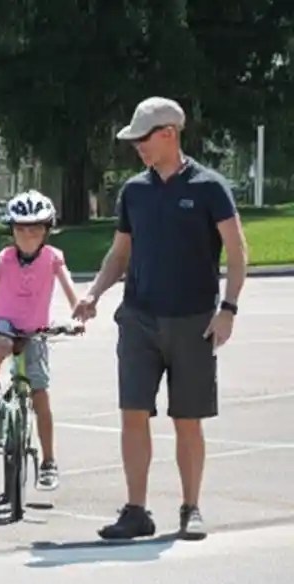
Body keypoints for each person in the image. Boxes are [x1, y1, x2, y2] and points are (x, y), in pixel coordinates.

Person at [73, 96, 249, 541]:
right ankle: (136, 511)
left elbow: (237, 249)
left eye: (143, 138)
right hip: (139, 320)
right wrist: (93, 293)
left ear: (169, 134)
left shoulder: (209, 187)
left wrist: (227, 309)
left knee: (186, 419)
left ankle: (191, 508)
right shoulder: (134, 191)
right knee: (133, 413)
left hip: (193, 321)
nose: (138, 148)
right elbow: (120, 253)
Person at [0, 190, 80, 491]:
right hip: (4, 322)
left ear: (47, 231)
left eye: (36, 228)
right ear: (11, 231)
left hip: (36, 329)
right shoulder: (6, 258)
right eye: (21, 228)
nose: (28, 235)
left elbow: (70, 289)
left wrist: (77, 318)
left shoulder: (53, 258)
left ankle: (49, 461)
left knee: (40, 397)